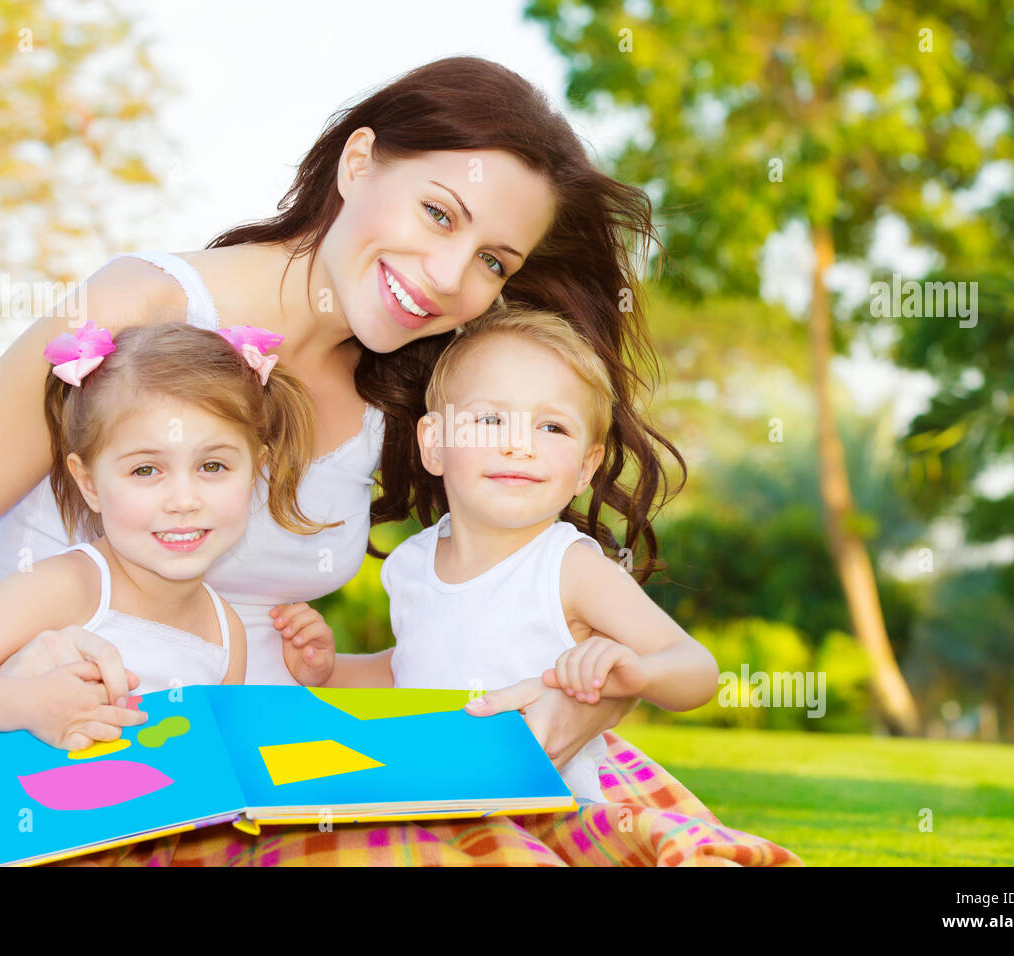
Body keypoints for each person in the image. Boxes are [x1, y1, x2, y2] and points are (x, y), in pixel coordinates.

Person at [0, 56, 801, 866]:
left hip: (288, 761)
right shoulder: (139, 314)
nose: (449, 278)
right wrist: (15, 685)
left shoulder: (403, 394)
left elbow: (477, 605)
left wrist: (586, 678)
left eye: (496, 261)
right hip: (112, 750)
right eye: (437, 213)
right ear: (359, 160)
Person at [287, 308, 718, 803]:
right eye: (491, 419)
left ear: (586, 467)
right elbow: (404, 671)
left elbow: (697, 669)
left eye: (552, 427)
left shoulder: (569, 568)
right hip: (435, 798)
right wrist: (330, 671)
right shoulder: (412, 563)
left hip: (543, 813)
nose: (519, 444)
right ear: (434, 444)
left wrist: (639, 674)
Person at [0, 320, 331, 749]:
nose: (184, 499)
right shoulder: (69, 587)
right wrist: (28, 705)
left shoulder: (226, 630)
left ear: (256, 471)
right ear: (89, 482)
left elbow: (210, 766)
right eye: (146, 469)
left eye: (213, 466)